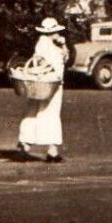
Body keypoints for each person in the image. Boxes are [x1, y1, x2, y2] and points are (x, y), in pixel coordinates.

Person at [16, 17, 68, 164]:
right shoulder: (47, 45)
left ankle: (25, 145)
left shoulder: (44, 43)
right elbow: (61, 60)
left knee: (32, 111)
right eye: (56, 31)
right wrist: (63, 47)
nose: (58, 33)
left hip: (38, 83)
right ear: (52, 32)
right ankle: (52, 151)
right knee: (50, 112)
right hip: (51, 83)